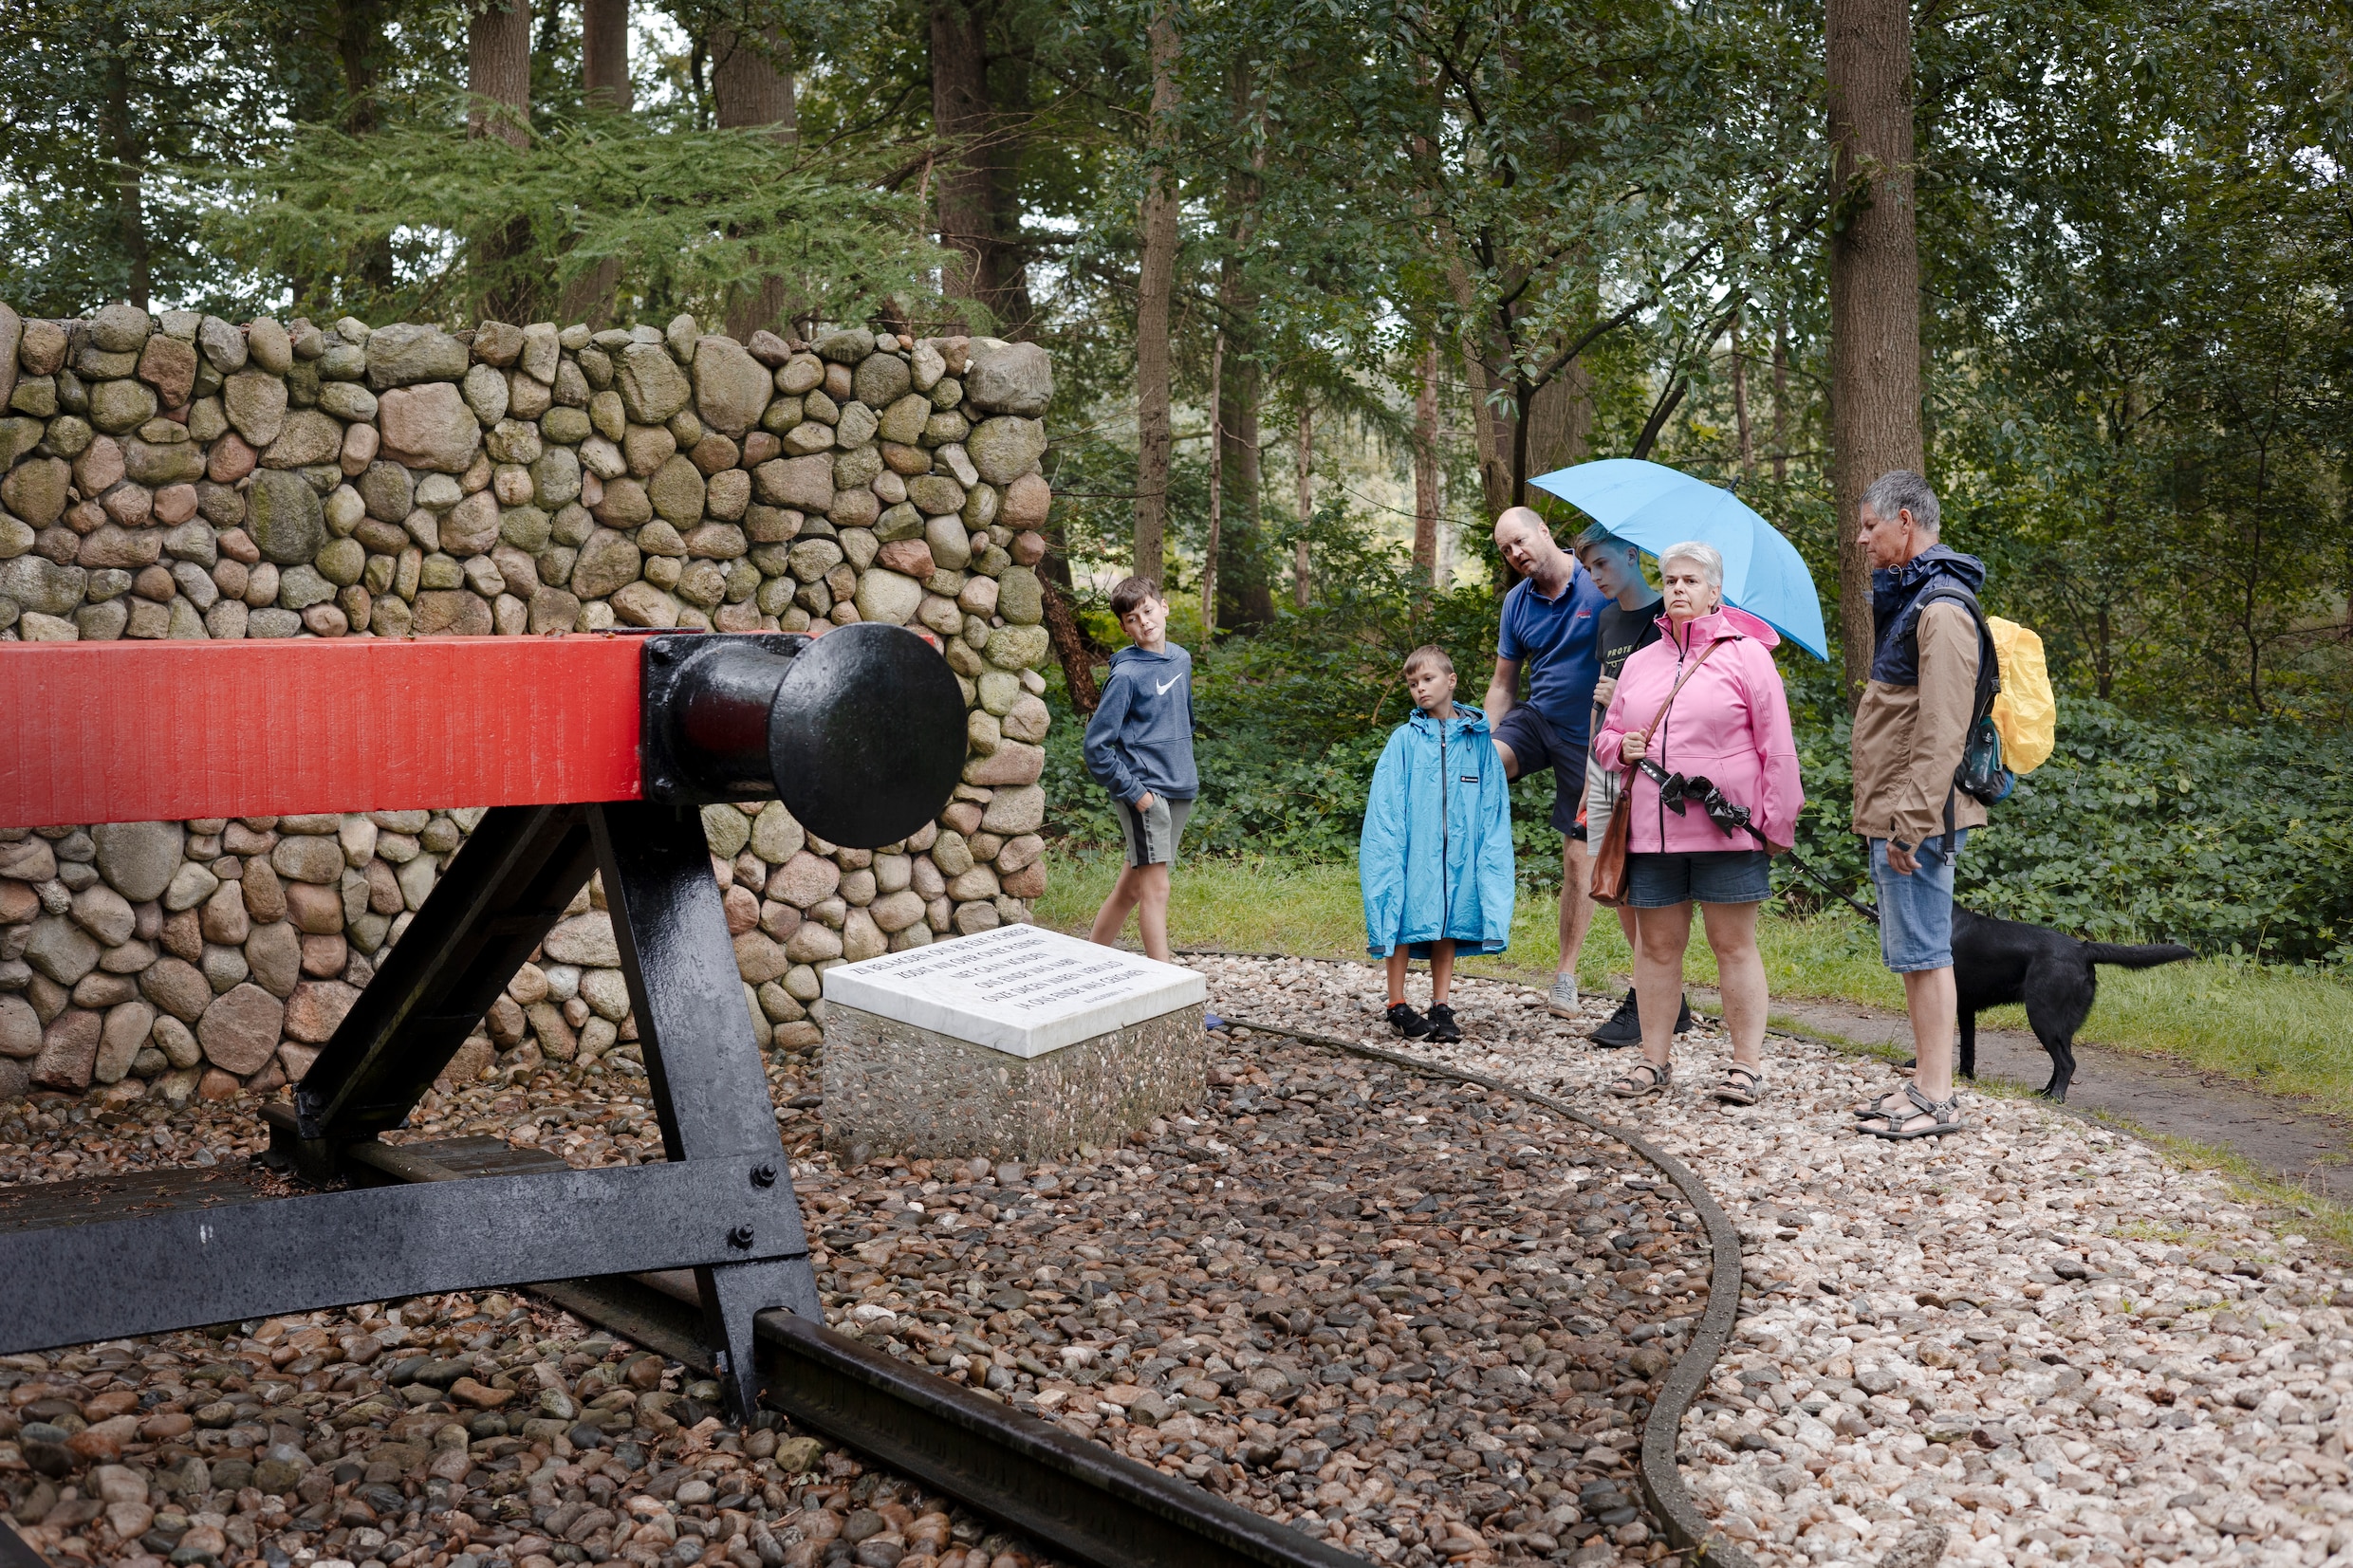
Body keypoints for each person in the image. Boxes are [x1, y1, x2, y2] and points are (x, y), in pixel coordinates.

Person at [1591, 541, 1801, 1103]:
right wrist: (1623, 748)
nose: (1678, 588)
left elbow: (1777, 748)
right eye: (1670, 579)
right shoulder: (1639, 662)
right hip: (1651, 830)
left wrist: (1777, 824)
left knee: (1732, 945)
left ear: (1714, 591)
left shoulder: (1747, 656)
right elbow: (1606, 740)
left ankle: (1746, 1065)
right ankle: (1653, 1061)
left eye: (1690, 580)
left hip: (1727, 830)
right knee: (1656, 948)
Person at [1847, 470, 1989, 1139]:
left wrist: (1909, 823)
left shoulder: (1940, 607)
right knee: (1914, 952)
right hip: (1903, 809)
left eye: (1870, 525)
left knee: (1928, 951)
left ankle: (1936, 1095)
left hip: (1920, 815)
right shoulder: (1914, 599)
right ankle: (1925, 1082)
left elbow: (1941, 731)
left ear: (1906, 521)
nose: (1862, 538)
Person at [1483, 507, 1610, 1019]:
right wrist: (1483, 741)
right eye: (1505, 550)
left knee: (1579, 856)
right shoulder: (1517, 602)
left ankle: (1565, 975)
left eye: (1519, 541)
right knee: (1480, 767)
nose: (1515, 554)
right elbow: (1502, 684)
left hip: (1591, 735)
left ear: (1544, 532)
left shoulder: (1599, 585)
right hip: (1539, 720)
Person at [1571, 525, 1694, 1050]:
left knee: (1645, 885)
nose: (1595, 576)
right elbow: (1599, 705)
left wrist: (1627, 692)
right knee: (1613, 881)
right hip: (1605, 765)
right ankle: (1661, 995)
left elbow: (1684, 692)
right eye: (1588, 568)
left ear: (1632, 554)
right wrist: (1586, 774)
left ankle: (1651, 996)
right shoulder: (1607, 619)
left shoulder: (1666, 617)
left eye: (1602, 563)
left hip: (1647, 769)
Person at [1359, 646, 1515, 1043]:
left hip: (1461, 855)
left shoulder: (1478, 741)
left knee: (1448, 922)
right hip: (1414, 853)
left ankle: (1441, 1004)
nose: (1420, 689)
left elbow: (1494, 801)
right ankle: (1397, 1004)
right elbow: (1386, 802)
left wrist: (1486, 853)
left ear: (1451, 680)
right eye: (1412, 684)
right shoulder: (1404, 741)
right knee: (1402, 922)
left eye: (1427, 679)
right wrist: (1393, 852)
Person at [1084, 577, 1198, 962]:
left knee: (1132, 888)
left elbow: (1185, 719)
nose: (1144, 622)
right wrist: (1138, 794)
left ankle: (1089, 962)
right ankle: (1165, 990)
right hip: (1147, 795)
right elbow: (1096, 746)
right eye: (1133, 618)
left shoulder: (1181, 658)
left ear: (1163, 607)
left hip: (1180, 786)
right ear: (1124, 626)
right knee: (1156, 889)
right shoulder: (1126, 674)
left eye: (1148, 611)